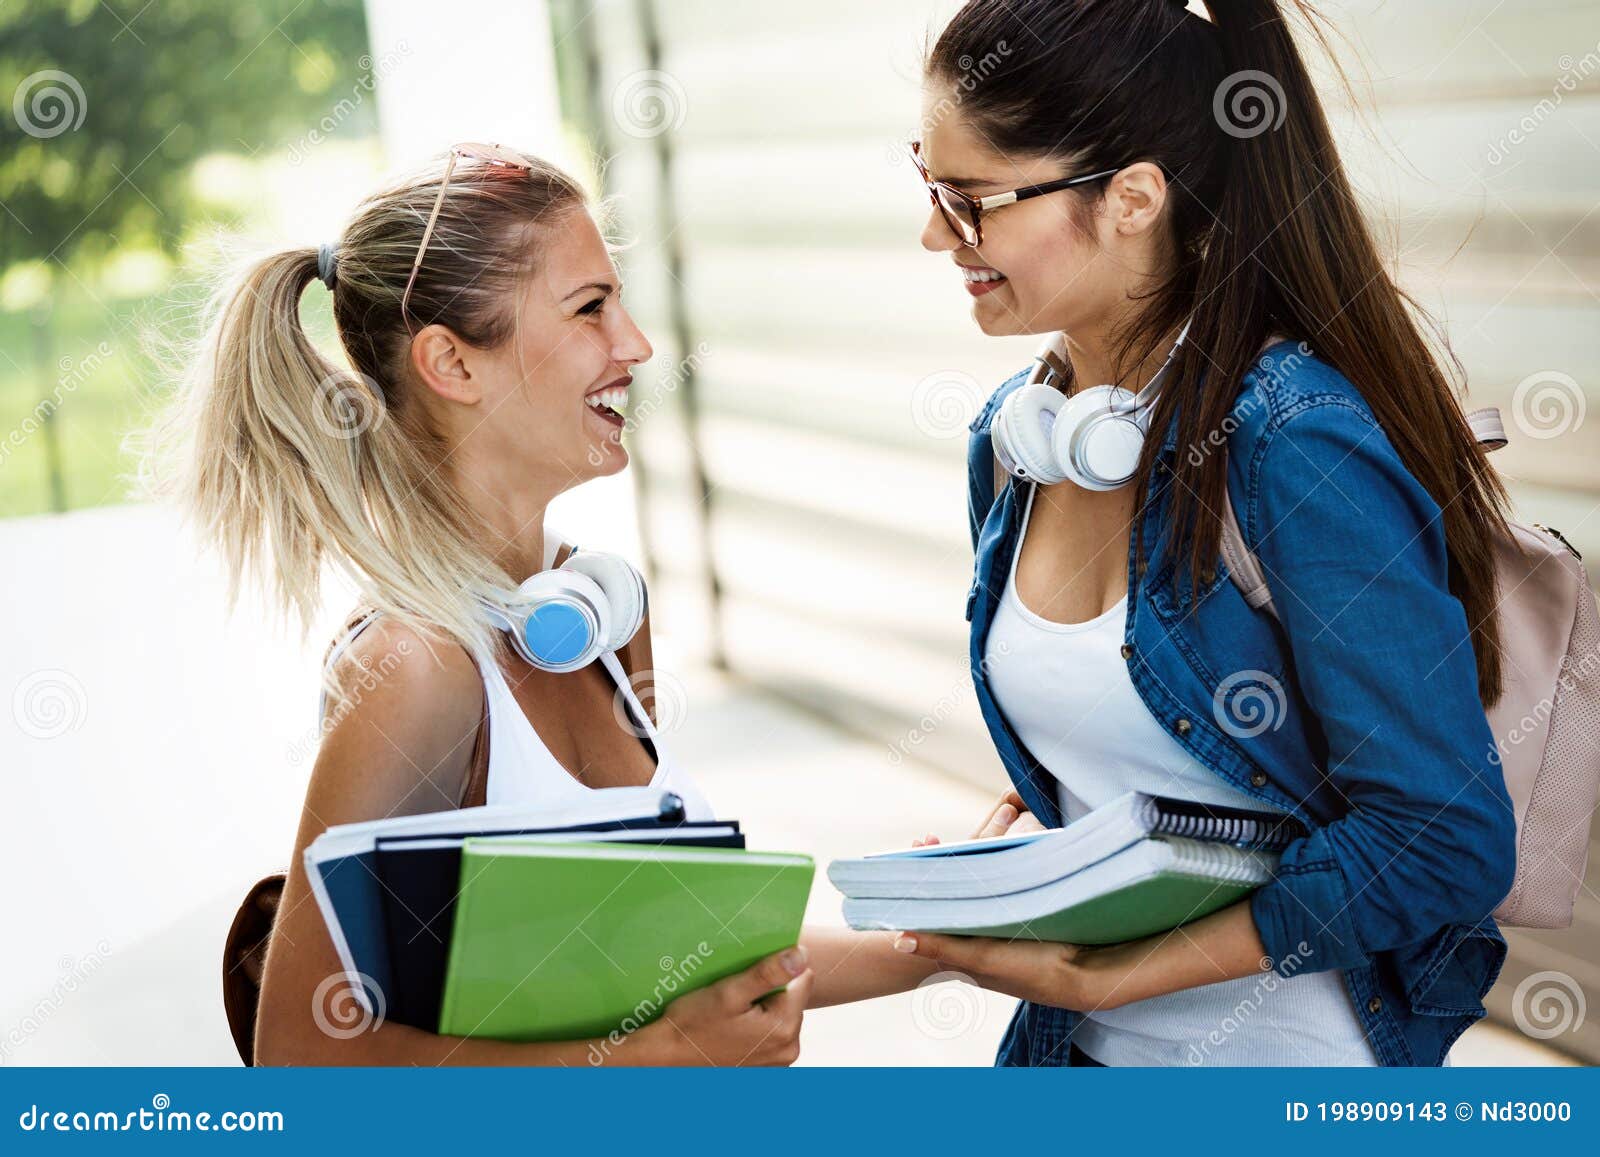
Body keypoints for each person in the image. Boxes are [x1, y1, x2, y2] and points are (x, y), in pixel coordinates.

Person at [148, 144, 930, 1065]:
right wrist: (656, 1056)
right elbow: (304, 1060)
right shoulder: (416, 669)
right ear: (451, 362)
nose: (634, 343)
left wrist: (935, 943)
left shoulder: (594, 617)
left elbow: (687, 967)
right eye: (590, 308)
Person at [889, 0, 1517, 1067]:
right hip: (1070, 1055)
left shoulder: (1292, 444)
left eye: (969, 201)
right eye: (926, 186)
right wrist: (1024, 873)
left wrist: (1122, 965)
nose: (933, 235)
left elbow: (1441, 840)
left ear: (1132, 196)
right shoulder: (1017, 444)